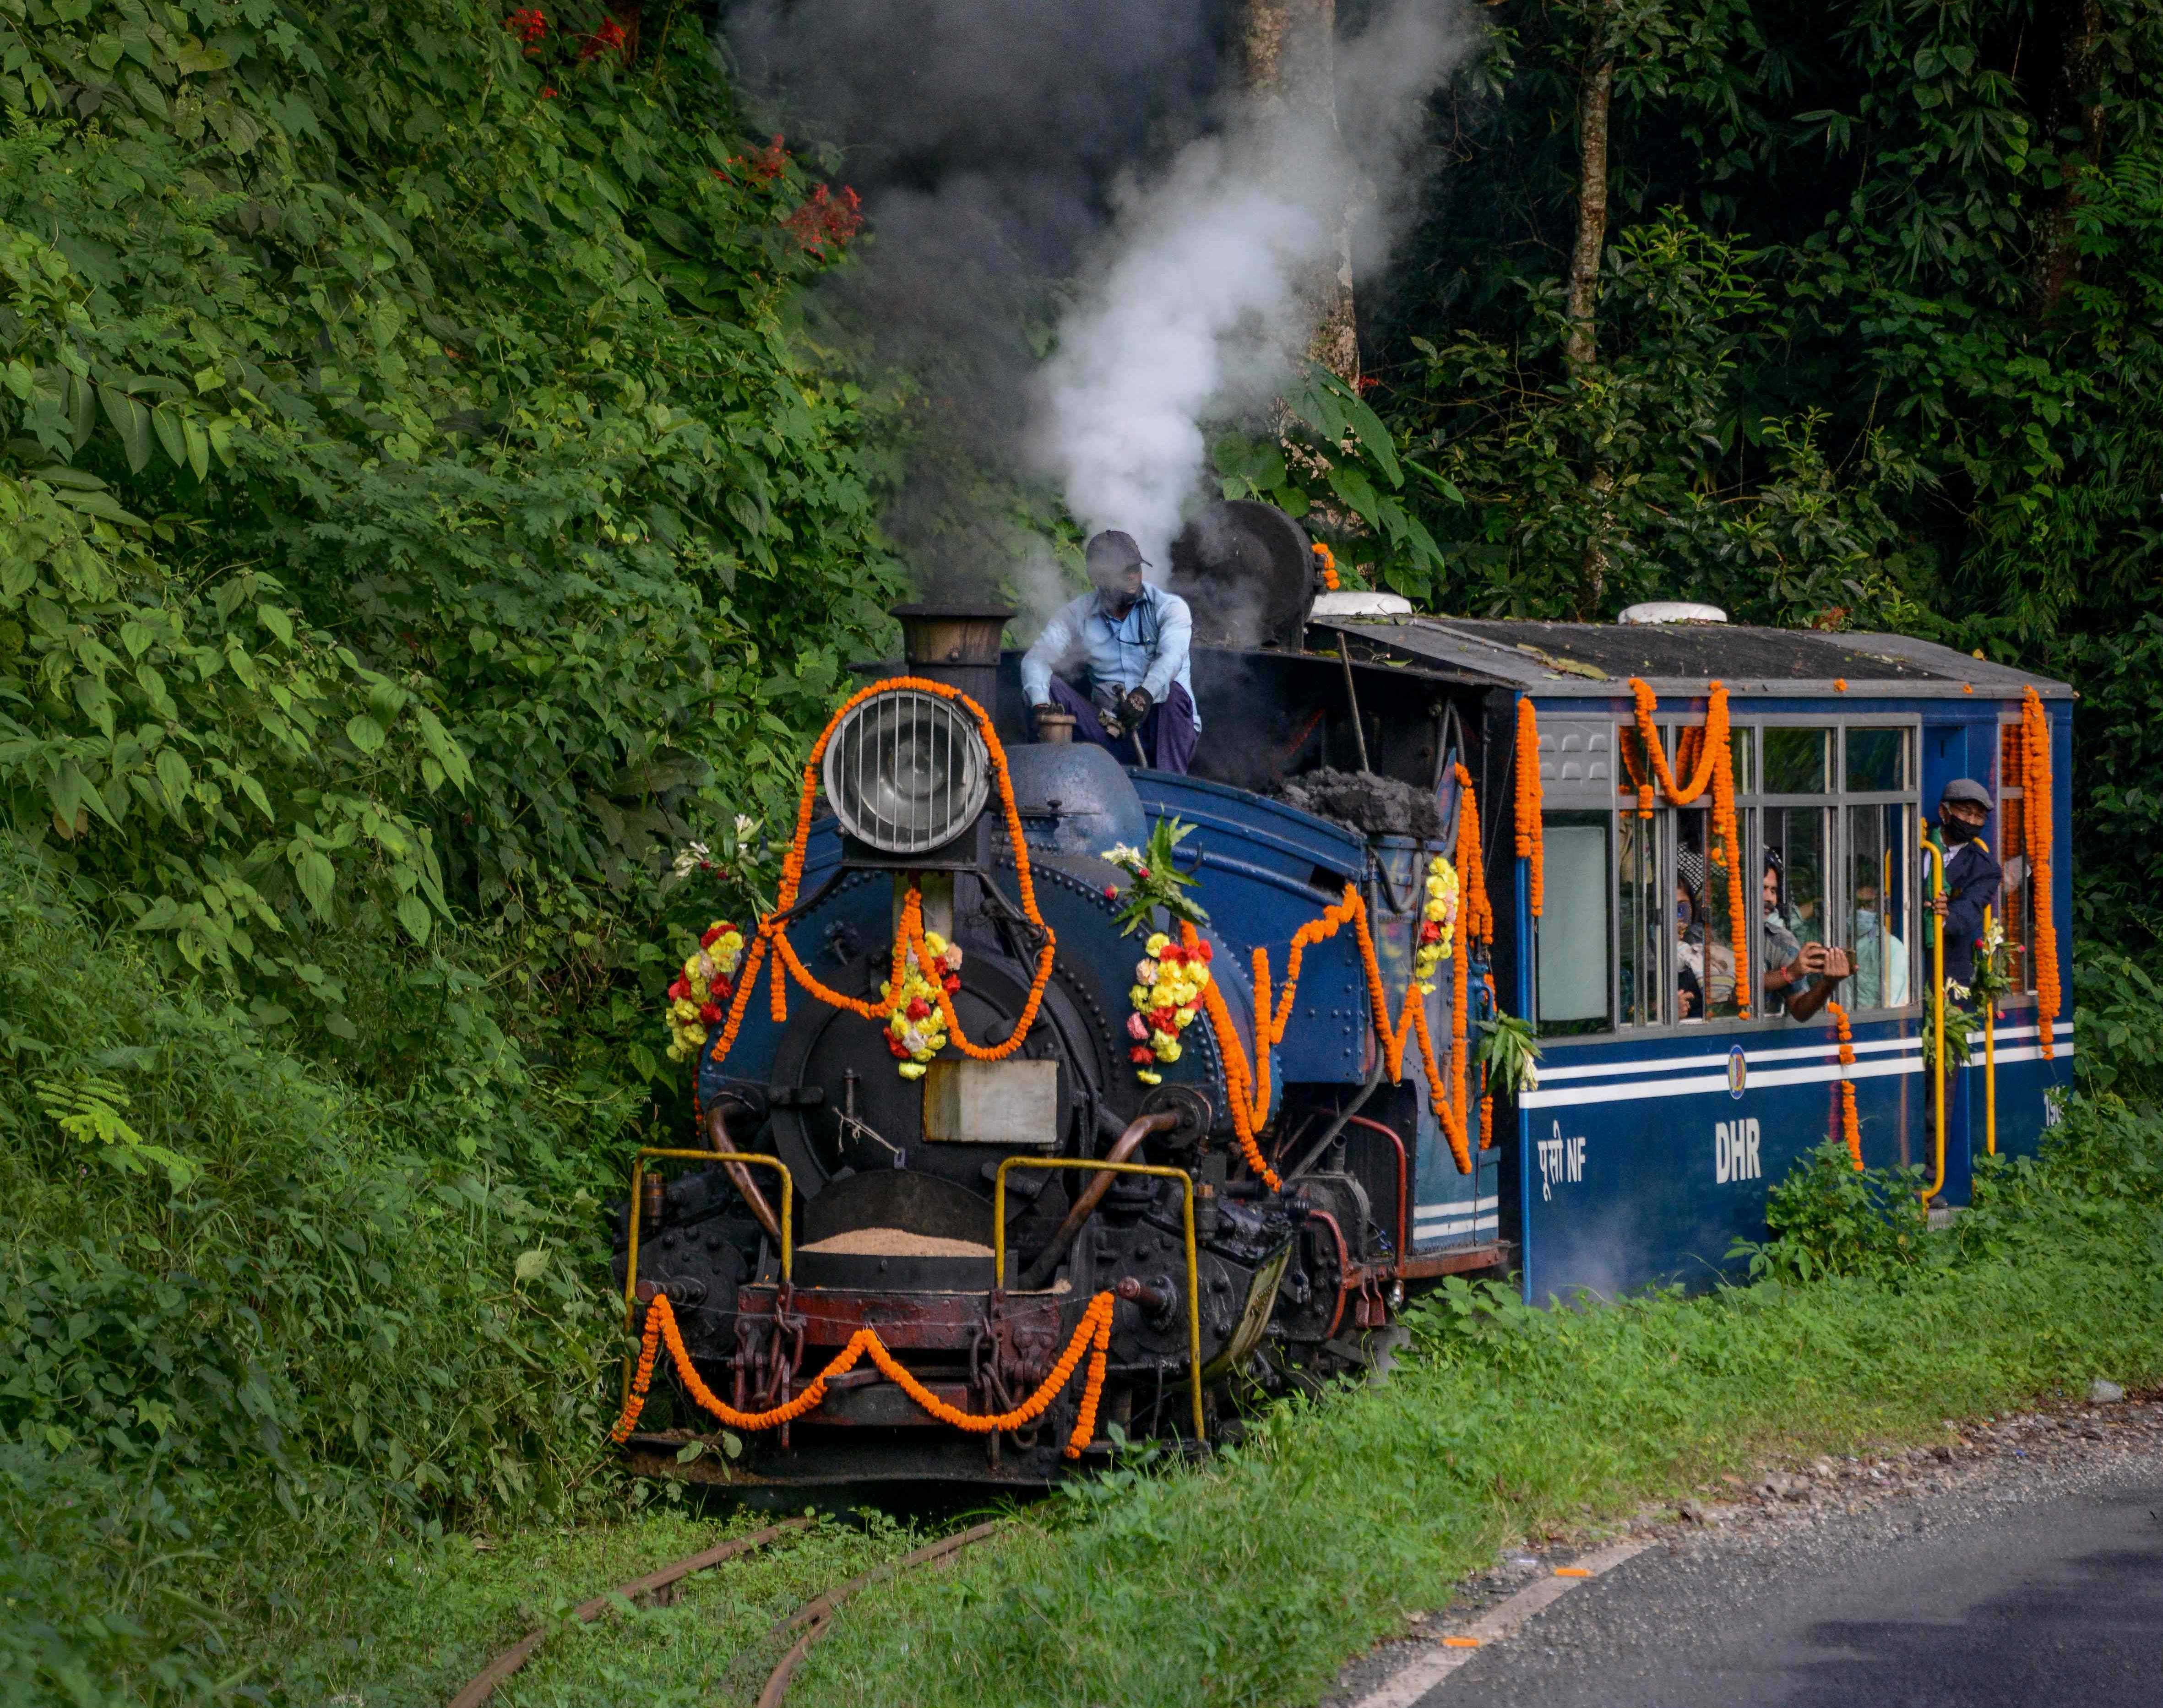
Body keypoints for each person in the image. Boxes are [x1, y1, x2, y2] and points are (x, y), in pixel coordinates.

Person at [1021, 531, 1199, 773]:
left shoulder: (1169, 608)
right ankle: (1055, 781)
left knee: (1174, 694)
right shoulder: (1076, 615)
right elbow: (1035, 661)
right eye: (1124, 571)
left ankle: (1171, 791)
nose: (1133, 576)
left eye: (1136, 568)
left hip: (1166, 735)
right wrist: (1042, 708)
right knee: (1045, 687)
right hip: (1109, 733)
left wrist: (1144, 695)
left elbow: (1172, 657)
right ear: (1098, 577)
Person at [1761, 850, 1853, 1021]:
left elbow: (1800, 1011)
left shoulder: (1780, 941)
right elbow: (1736, 990)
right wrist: (1789, 974)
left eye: (1773, 891)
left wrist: (1828, 983)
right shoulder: (1707, 934)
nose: (1770, 898)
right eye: (1763, 888)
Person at [1929, 777, 2002, 990]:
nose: (1971, 821)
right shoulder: (1917, 842)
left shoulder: (1985, 867)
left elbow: (1971, 908)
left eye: (1979, 817)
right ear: (1944, 811)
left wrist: (1945, 916)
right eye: (1965, 812)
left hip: (1947, 971)